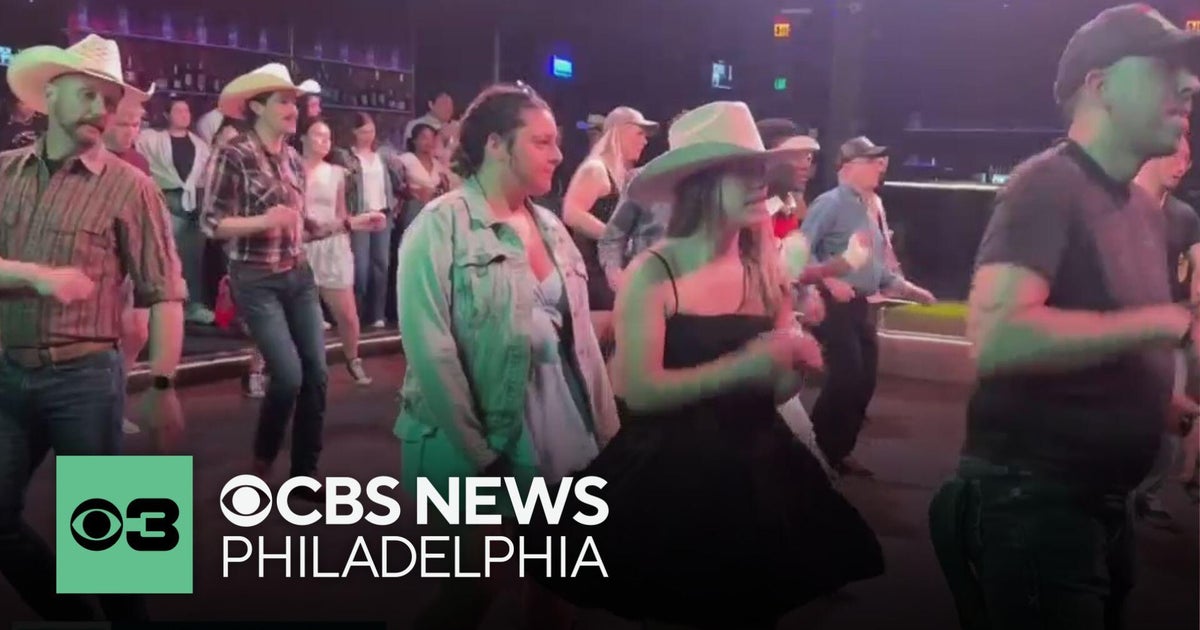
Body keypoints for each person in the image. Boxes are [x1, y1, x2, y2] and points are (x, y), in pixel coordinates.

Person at [526, 101, 884, 629]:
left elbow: (776, 392)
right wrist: (745, 365)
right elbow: (637, 390)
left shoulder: (765, 272)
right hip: (671, 479)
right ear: (700, 184)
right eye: (742, 171)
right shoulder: (654, 273)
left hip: (757, 474)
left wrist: (793, 362)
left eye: (760, 170)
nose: (760, 183)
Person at [929, 6, 1199, 629]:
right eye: (1165, 70)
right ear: (1100, 86)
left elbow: (1090, 331)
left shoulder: (1142, 209)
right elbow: (998, 337)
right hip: (1034, 504)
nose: (1190, 86)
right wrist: (1159, 324)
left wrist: (1149, 399)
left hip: (1104, 505)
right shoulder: (1046, 185)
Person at [395, 83, 619, 630]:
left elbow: (581, 344)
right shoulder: (440, 226)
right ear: (495, 144)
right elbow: (431, 350)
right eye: (541, 142)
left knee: (557, 589)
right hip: (473, 439)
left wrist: (611, 439)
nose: (558, 154)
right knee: (473, 588)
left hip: (559, 425)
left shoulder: (552, 228)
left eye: (557, 142)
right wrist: (480, 455)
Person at [0, 34, 186, 621]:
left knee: (112, 546)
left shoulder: (132, 187)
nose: (100, 111)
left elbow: (165, 292)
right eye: (87, 96)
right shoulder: (3, 173)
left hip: (86, 376)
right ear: (50, 94)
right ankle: (70, 616)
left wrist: (162, 385)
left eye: (108, 101)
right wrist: (35, 276)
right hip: (8, 372)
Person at [202, 63, 385, 493]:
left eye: (295, 102)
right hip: (256, 279)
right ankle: (262, 460)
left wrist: (352, 223)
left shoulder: (291, 159)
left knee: (317, 375)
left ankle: (304, 474)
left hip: (298, 274)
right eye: (283, 101)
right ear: (256, 107)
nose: (293, 109)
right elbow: (211, 223)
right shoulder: (234, 154)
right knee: (287, 376)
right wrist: (263, 220)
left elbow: (303, 226)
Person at [800, 136, 936, 477]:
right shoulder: (830, 203)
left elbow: (875, 269)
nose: (879, 167)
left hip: (859, 305)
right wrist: (829, 281)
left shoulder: (867, 208)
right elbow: (800, 250)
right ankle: (814, 453)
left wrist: (909, 289)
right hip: (832, 304)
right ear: (848, 166)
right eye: (871, 160)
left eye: (879, 160)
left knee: (865, 378)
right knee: (846, 375)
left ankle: (837, 451)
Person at [1132, 125, 1199, 525]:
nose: (1182, 166)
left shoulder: (1183, 216)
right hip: (1122, 330)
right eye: (1176, 156)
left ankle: (1147, 494)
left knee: (1170, 423)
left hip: (1168, 331)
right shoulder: (1118, 204)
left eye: (1187, 160)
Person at [562, 106, 658, 346]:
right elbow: (572, 212)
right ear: (620, 132)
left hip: (609, 275)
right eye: (640, 133)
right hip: (594, 278)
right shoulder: (596, 169)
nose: (645, 141)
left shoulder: (620, 174)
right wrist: (614, 238)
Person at [297, 117, 372, 386]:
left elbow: (341, 212)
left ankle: (353, 359)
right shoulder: (291, 168)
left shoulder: (337, 172)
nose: (324, 141)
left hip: (332, 244)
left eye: (327, 137)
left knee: (348, 315)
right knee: (285, 312)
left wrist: (345, 233)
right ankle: (257, 369)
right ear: (303, 138)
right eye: (317, 135)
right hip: (301, 243)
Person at [102, 92, 156, 436]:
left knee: (136, 332)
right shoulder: (87, 157)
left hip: (133, 258)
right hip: (99, 262)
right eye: (124, 123)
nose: (131, 131)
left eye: (136, 124)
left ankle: (114, 406)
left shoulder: (139, 162)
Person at [137, 96, 214, 324]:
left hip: (194, 206)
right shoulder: (151, 139)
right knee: (165, 257)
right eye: (178, 110)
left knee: (193, 259)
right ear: (167, 115)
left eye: (187, 111)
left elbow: (205, 176)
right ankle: (164, 305)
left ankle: (193, 304)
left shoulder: (200, 145)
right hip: (166, 201)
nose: (184, 115)